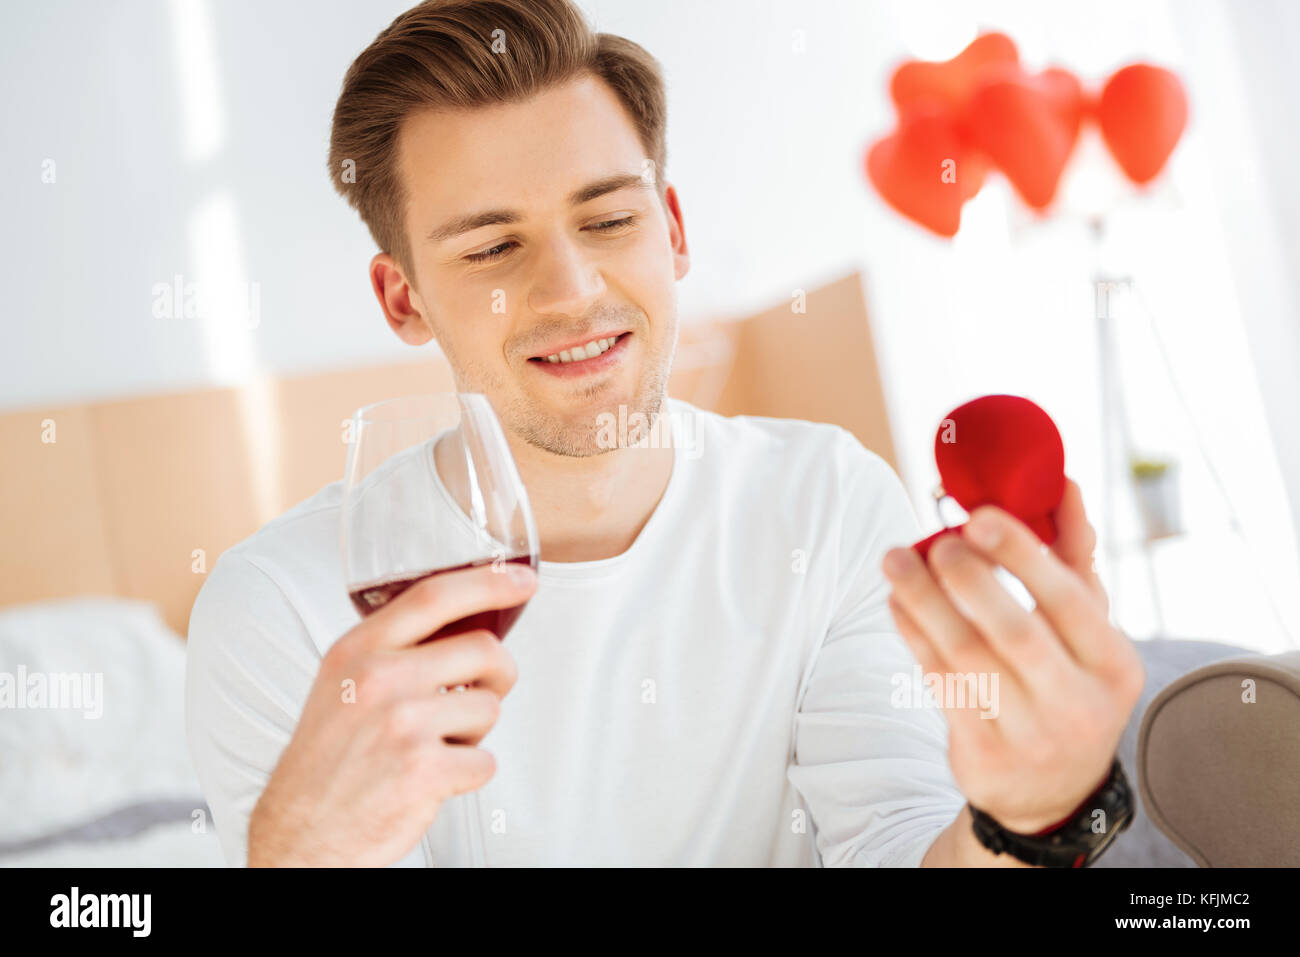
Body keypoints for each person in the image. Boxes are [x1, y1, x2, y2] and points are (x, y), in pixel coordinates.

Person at [185, 0, 1145, 867]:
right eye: (490, 248)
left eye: (607, 218)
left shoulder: (831, 502)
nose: (573, 290)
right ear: (405, 299)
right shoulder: (283, 609)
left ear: (673, 230)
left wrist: (1032, 815)